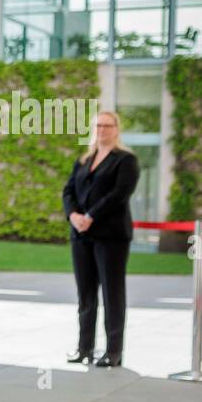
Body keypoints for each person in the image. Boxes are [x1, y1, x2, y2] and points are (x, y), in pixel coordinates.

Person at [63, 110, 139, 368]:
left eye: (107, 125)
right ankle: (84, 348)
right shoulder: (84, 159)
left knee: (112, 294)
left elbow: (119, 194)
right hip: (81, 236)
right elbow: (68, 190)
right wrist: (73, 215)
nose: (102, 130)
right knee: (85, 294)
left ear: (116, 129)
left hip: (111, 237)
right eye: (98, 125)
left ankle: (114, 352)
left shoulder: (125, 160)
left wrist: (91, 216)